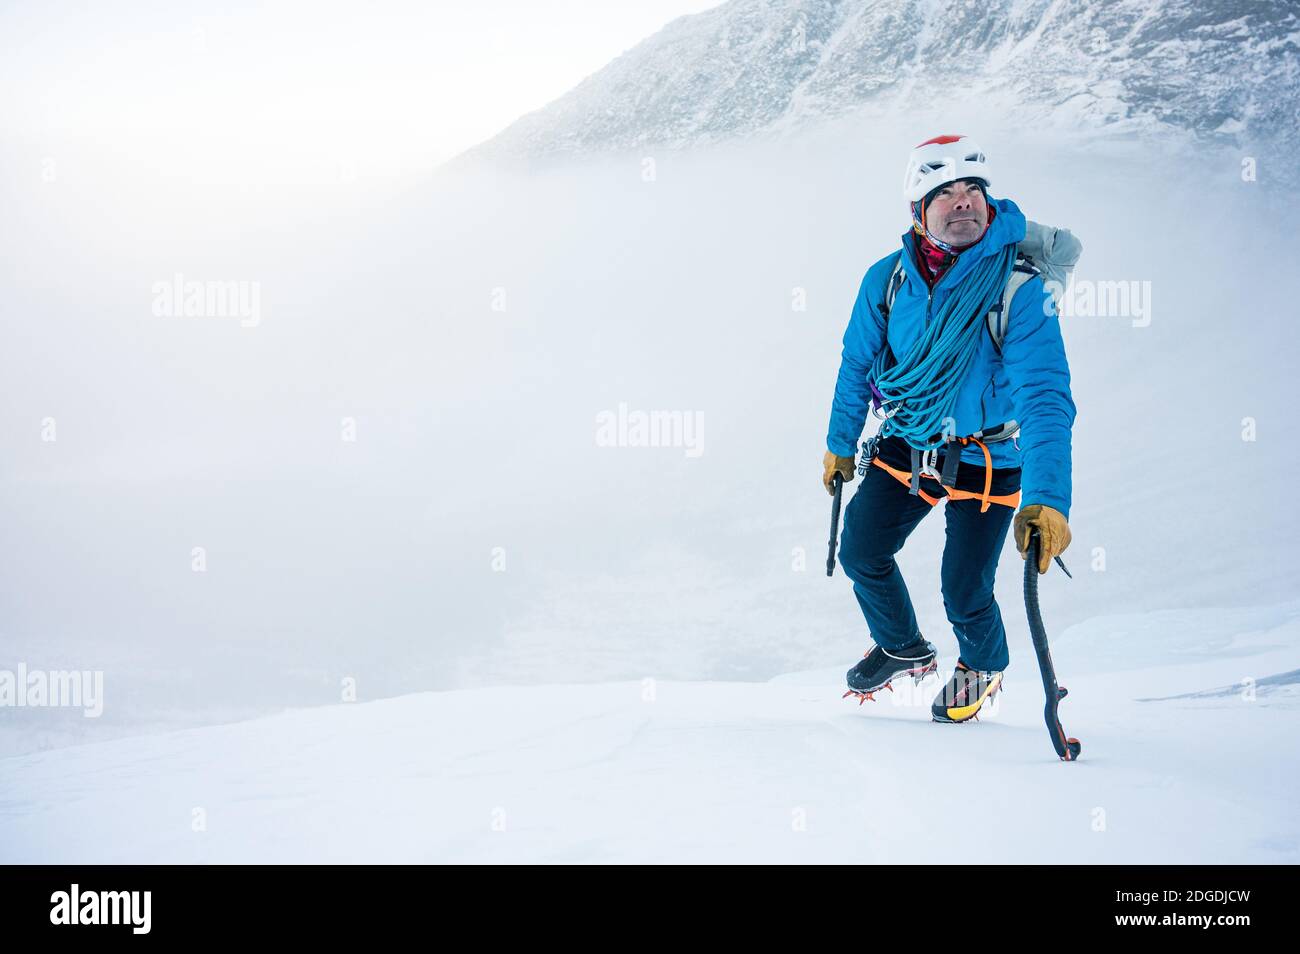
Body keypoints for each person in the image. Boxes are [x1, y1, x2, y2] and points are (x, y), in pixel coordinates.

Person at [821, 134, 1076, 723]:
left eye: (973, 191)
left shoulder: (1018, 288)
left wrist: (1047, 501)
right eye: (946, 194)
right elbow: (857, 366)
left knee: (964, 593)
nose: (963, 202)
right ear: (918, 211)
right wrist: (839, 445)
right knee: (862, 550)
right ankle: (903, 646)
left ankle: (982, 664)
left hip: (990, 456)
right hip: (909, 440)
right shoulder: (886, 282)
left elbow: (1045, 399)